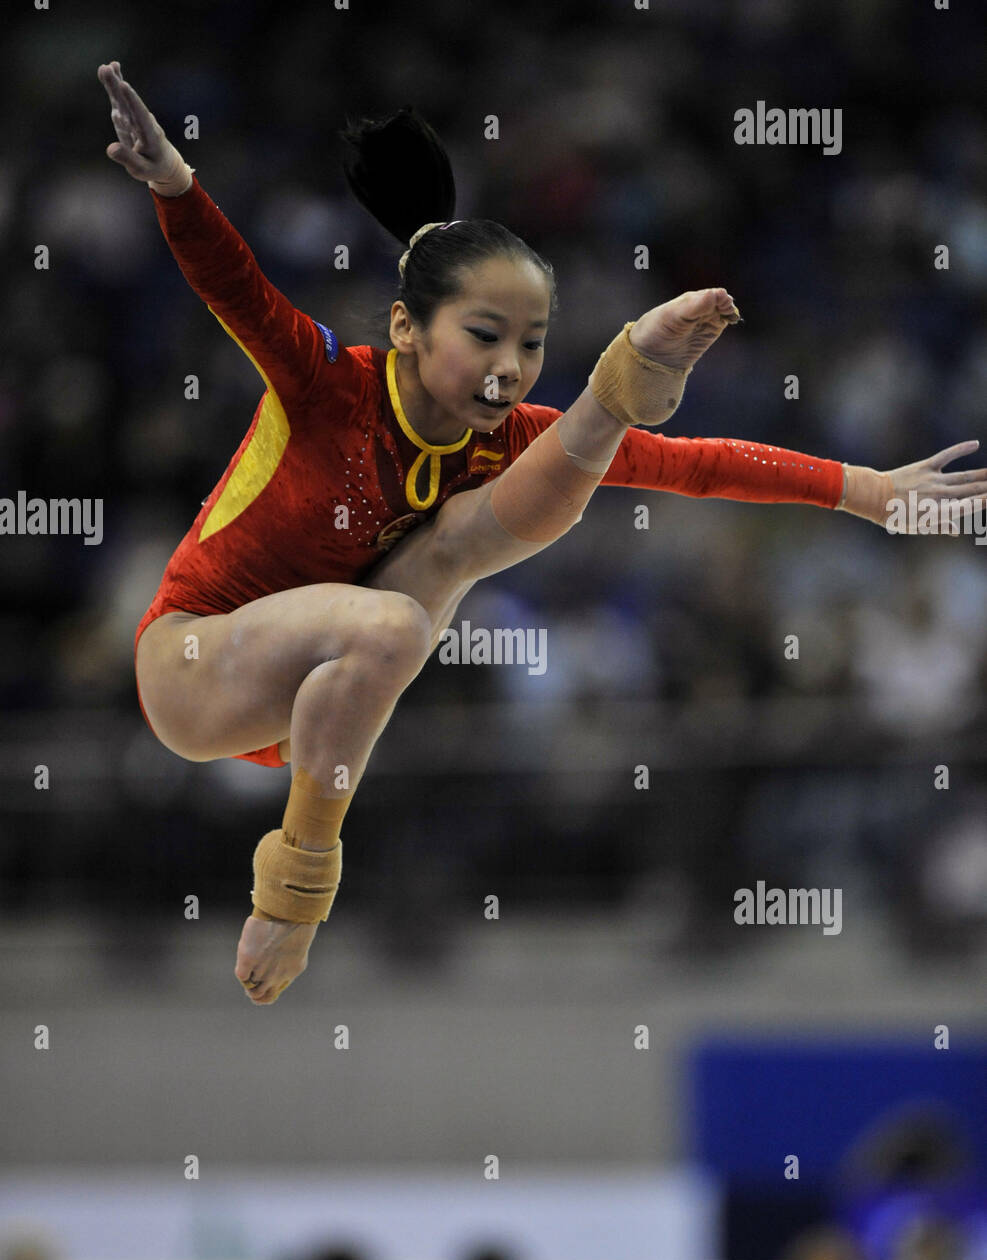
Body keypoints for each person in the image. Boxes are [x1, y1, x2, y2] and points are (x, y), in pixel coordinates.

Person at [99, 62, 980, 1004]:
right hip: (194, 662)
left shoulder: (506, 440)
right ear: (405, 326)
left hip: (314, 699)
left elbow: (692, 462)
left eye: (530, 342)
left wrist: (866, 491)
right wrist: (174, 187)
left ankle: (614, 397)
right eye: (483, 336)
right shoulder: (328, 385)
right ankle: (296, 891)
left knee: (508, 506)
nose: (510, 367)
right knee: (393, 623)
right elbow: (235, 285)